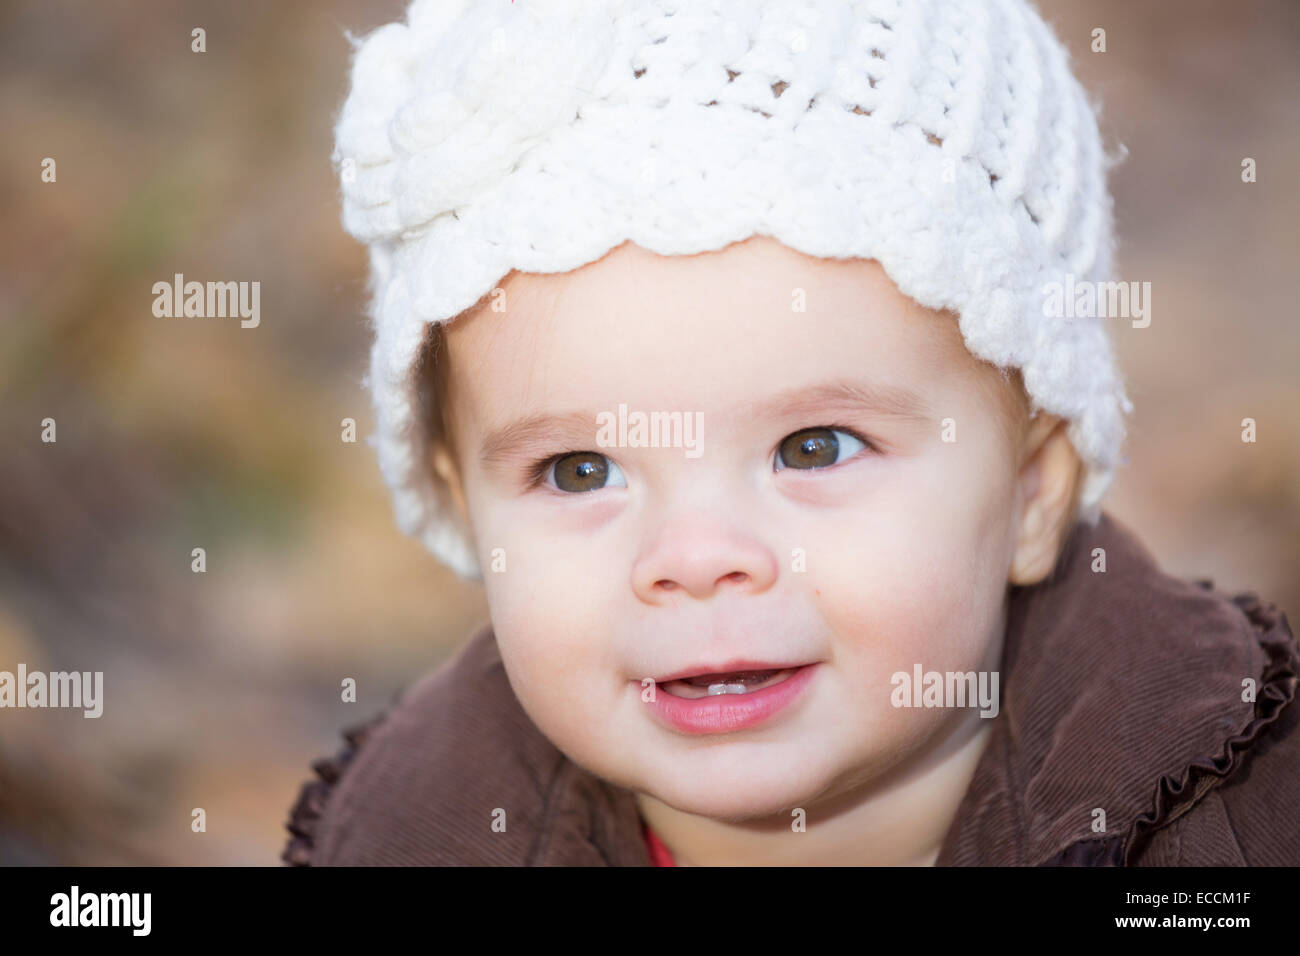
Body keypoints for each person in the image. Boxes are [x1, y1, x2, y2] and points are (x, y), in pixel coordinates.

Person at [282, 0, 1299, 866]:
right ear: (464, 501)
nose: (693, 559)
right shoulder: (419, 830)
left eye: (812, 448)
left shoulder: (1219, 818)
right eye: (578, 468)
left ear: (1031, 490)